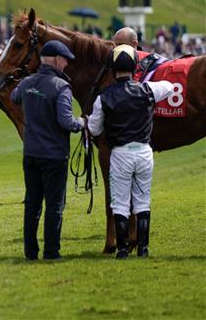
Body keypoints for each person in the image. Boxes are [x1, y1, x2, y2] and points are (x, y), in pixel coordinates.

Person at [86, 45, 174, 259]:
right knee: (143, 201)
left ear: (112, 69)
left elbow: (94, 129)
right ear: (134, 67)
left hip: (120, 154)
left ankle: (123, 249)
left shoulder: (103, 97)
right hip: (144, 152)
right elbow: (169, 86)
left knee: (120, 203)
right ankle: (143, 249)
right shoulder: (147, 90)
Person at [10, 40, 85, 261]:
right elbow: (66, 122)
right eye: (65, 60)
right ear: (56, 59)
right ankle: (51, 252)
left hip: (31, 153)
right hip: (54, 155)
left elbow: (14, 97)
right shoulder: (61, 87)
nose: (67, 64)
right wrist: (82, 122)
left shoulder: (27, 82)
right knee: (54, 206)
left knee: (32, 204)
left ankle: (30, 252)